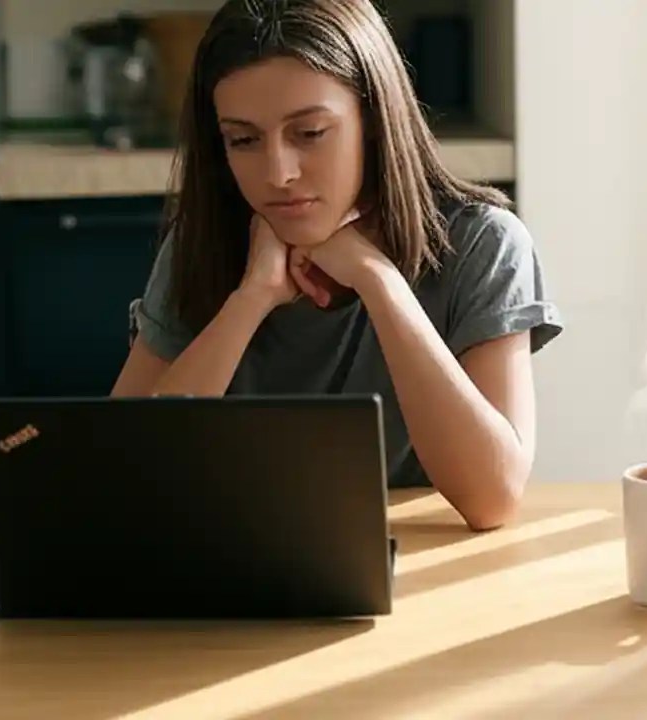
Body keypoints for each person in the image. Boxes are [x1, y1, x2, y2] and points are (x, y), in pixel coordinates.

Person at [111, 0, 563, 531]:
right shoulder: (203, 242)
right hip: (234, 567)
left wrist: (379, 281)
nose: (278, 173)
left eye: (309, 133)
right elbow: (122, 472)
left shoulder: (483, 243)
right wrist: (251, 298)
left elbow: (493, 498)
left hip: (419, 574)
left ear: (373, 122)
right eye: (244, 140)